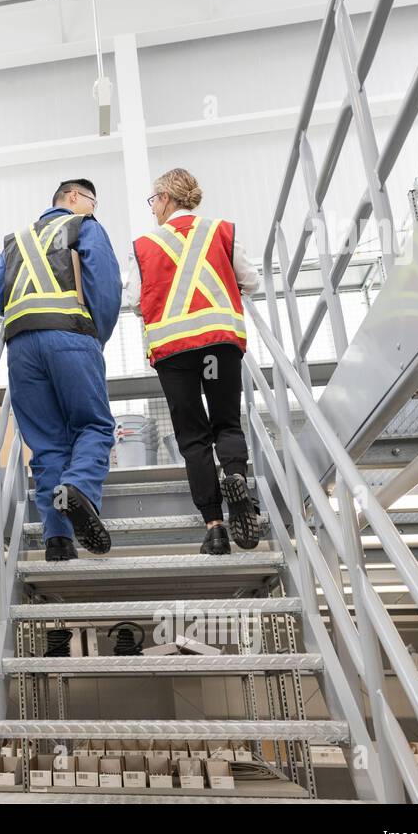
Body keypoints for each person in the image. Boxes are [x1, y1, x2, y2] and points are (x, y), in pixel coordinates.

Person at [0, 179, 122, 561]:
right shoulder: (84, 226)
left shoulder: (17, 240)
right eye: (93, 201)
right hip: (71, 336)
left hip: (21, 346)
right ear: (73, 197)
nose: (94, 209)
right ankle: (78, 487)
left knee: (46, 446)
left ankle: (57, 541)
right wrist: (96, 336)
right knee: (94, 425)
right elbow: (105, 287)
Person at [126, 168, 263, 554]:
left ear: (167, 198)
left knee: (193, 437)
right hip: (218, 345)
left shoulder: (143, 245)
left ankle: (215, 527)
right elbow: (250, 282)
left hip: (174, 352)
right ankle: (236, 477)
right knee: (226, 421)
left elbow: (136, 302)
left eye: (153, 200)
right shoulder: (222, 230)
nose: (153, 208)